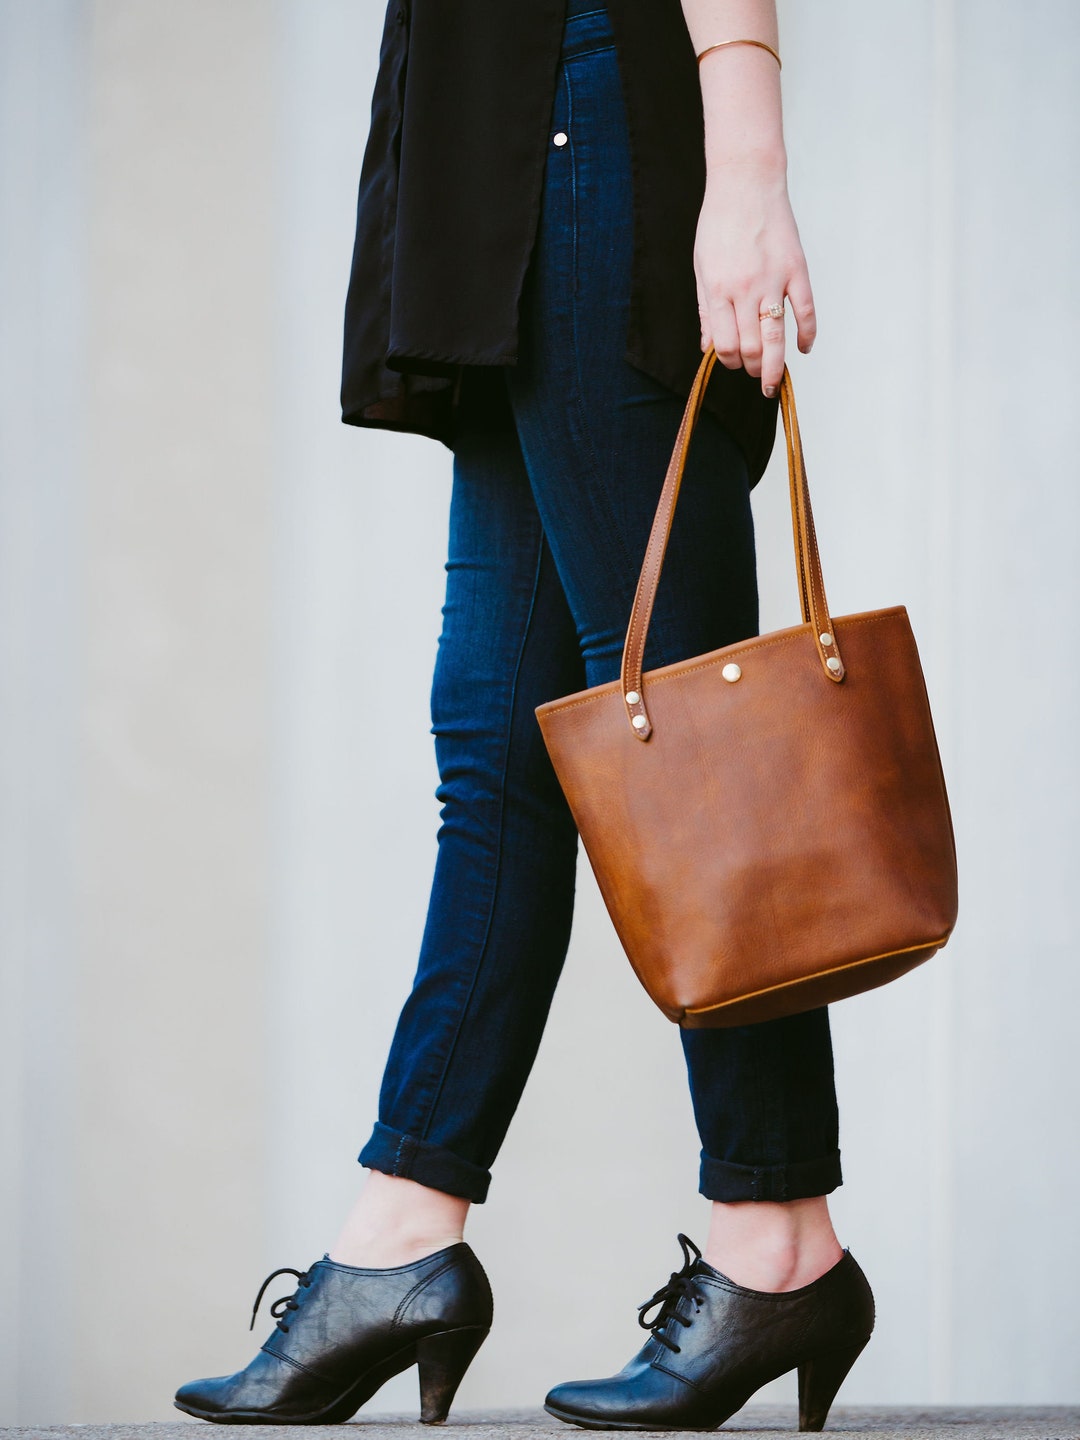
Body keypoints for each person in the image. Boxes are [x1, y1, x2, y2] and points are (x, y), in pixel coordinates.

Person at [174, 0, 874, 1429]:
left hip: (586, 129)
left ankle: (780, 1227)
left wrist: (746, 164)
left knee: (690, 743)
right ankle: (402, 1231)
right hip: (494, 172)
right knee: (493, 759)